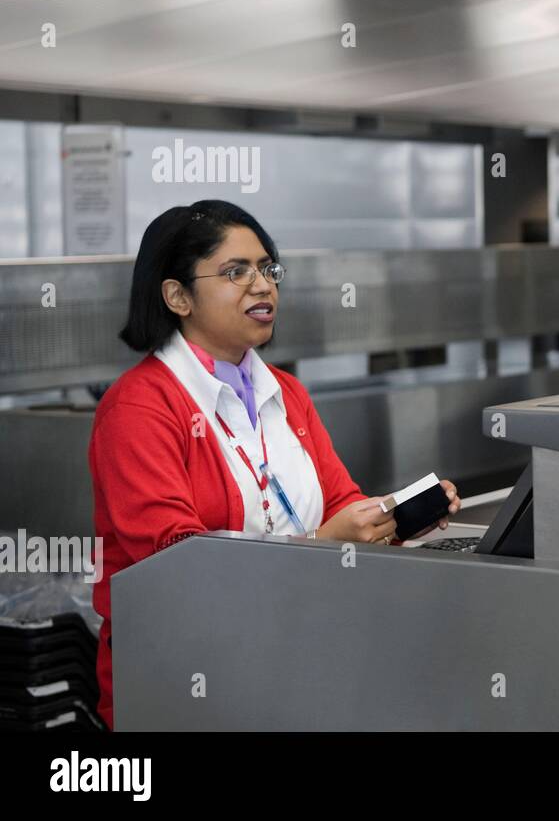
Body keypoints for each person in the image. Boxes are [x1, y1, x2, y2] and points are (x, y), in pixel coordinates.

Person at [89, 199, 461, 729]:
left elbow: (338, 504)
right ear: (177, 296)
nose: (262, 286)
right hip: (183, 679)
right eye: (235, 272)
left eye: (267, 268)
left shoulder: (284, 391)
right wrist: (322, 544)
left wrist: (396, 516)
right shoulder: (140, 407)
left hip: (291, 657)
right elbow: (176, 563)